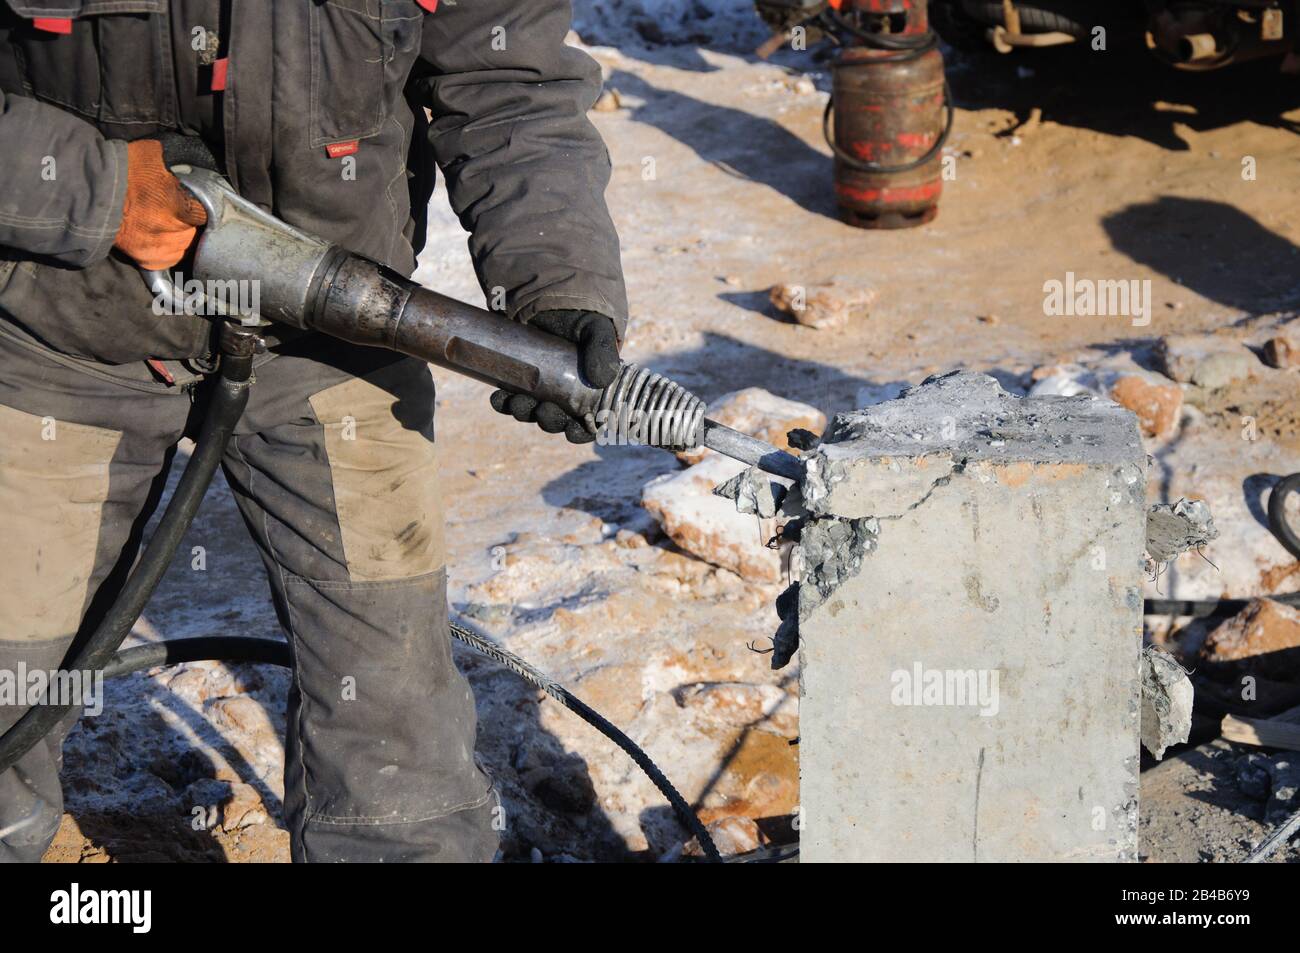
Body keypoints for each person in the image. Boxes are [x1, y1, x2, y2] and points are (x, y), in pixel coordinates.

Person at [0, 0, 627, 863]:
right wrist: (93, 188)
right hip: (60, 334)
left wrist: (555, 283)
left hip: (333, 343)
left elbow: (510, 80)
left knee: (395, 735)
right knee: (9, 688)